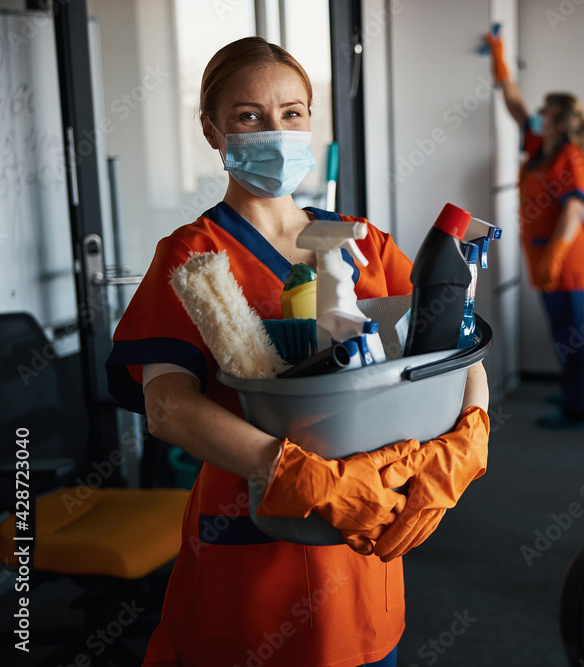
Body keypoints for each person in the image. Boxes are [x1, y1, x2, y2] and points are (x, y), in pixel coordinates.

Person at [106, 37, 489, 667]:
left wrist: (466, 441)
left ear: (311, 120)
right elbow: (168, 408)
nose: (274, 130)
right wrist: (299, 477)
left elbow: (458, 344)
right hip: (255, 543)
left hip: (364, 535)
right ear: (213, 130)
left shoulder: (359, 241)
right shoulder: (194, 255)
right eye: (248, 115)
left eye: (291, 113)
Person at [487, 30, 584, 429]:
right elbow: (516, 107)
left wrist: (554, 254)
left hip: (565, 255)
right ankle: (576, 388)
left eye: (546, 110)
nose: (538, 113)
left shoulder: (570, 157)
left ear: (559, 120)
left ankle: (576, 404)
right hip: (545, 251)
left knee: (571, 332)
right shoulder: (540, 146)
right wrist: (501, 66)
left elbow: (572, 210)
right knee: (564, 329)